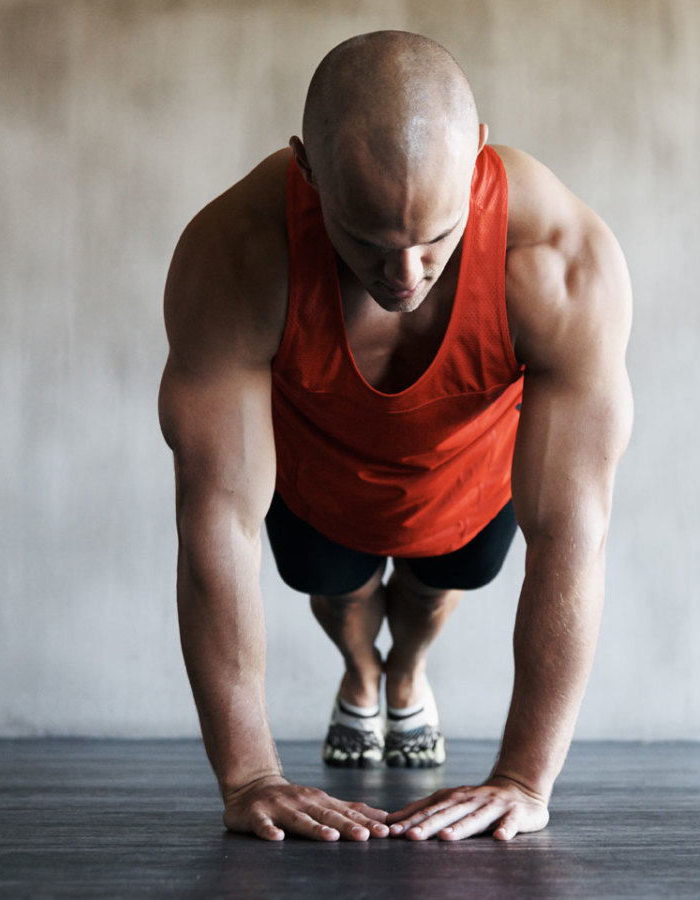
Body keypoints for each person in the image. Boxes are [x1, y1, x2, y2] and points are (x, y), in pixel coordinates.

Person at [157, 30, 632, 843]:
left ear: (479, 159)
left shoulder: (558, 259)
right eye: (370, 243)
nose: (405, 276)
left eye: (436, 240)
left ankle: (403, 672)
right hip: (316, 488)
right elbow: (217, 522)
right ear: (306, 174)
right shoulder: (239, 257)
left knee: (433, 592)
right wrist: (250, 778)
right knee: (339, 593)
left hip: (471, 486)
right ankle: (362, 669)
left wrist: (524, 778)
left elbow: (572, 532)